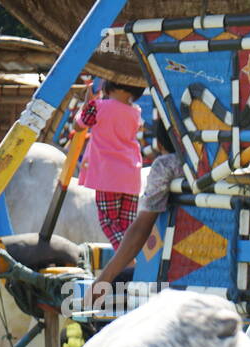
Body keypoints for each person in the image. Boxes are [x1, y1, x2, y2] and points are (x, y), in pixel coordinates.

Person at [91, 118, 184, 305]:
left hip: (172, 272)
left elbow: (141, 228)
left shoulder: (166, 166)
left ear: (160, 142)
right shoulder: (220, 165)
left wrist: (102, 281)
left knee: (118, 285)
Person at [76, 80, 145, 249]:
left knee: (108, 221)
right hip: (131, 175)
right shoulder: (136, 111)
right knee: (126, 225)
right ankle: (130, 256)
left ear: (115, 87)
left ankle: (127, 259)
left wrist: (88, 101)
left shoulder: (98, 106)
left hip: (107, 175)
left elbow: (79, 126)